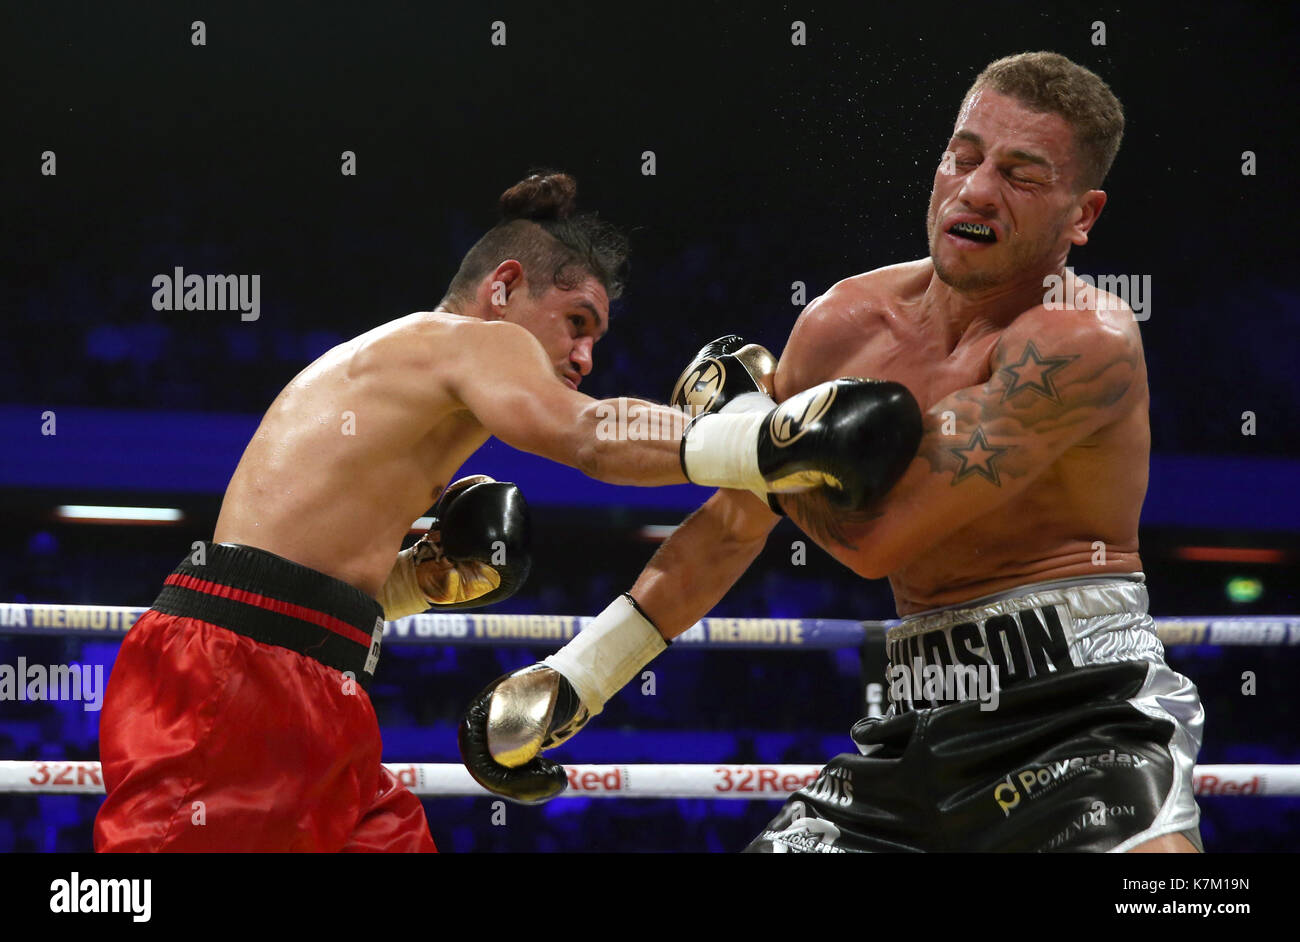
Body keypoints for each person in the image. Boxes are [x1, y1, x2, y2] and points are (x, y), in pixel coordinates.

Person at [461, 54, 1205, 853]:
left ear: (1081, 214)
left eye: (1021, 175)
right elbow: (735, 521)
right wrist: (582, 676)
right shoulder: (846, 323)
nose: (976, 189)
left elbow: (878, 537)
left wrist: (750, 428)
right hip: (915, 724)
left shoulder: (1082, 340)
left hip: (1082, 716)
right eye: (963, 156)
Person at [94, 171, 918, 852]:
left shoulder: (410, 385)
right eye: (577, 323)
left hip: (312, 676)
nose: (586, 356)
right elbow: (592, 437)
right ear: (505, 286)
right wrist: (768, 441)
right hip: (232, 675)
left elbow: (313, 573)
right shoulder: (470, 341)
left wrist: (421, 583)